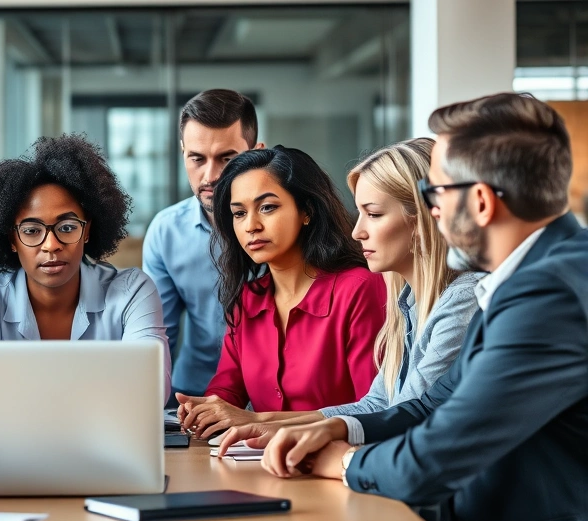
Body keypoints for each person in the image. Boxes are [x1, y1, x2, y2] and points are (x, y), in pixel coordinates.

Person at [259, 93, 588, 521]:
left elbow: (432, 458)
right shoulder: (529, 275)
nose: (433, 210)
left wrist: (342, 460)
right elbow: (433, 403)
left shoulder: (548, 292)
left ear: (481, 203)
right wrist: (338, 426)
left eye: (436, 193)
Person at [216, 138, 481, 449]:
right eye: (238, 213)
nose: (358, 231)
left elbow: (407, 416)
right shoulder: (406, 301)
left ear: (424, 218)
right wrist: (265, 425)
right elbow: (374, 405)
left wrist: (336, 460)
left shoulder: (463, 299)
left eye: (375, 214)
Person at [177, 146, 386, 437]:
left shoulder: (359, 289)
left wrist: (256, 421)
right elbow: (227, 390)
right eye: (239, 213)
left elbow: (374, 409)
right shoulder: (247, 300)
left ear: (306, 212)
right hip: (261, 465)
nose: (251, 226)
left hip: (339, 464)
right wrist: (204, 409)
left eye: (268, 207)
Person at [0, 133, 172, 400]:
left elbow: (152, 387)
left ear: (87, 231)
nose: (51, 245)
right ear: (12, 240)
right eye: (31, 230)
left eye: (66, 227)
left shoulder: (132, 291)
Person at [142, 89, 265, 405]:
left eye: (227, 158)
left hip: (274, 400)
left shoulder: (286, 226)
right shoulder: (166, 232)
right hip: (191, 394)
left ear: (258, 153)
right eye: (197, 158)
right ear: (182, 153)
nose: (211, 176)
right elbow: (159, 337)